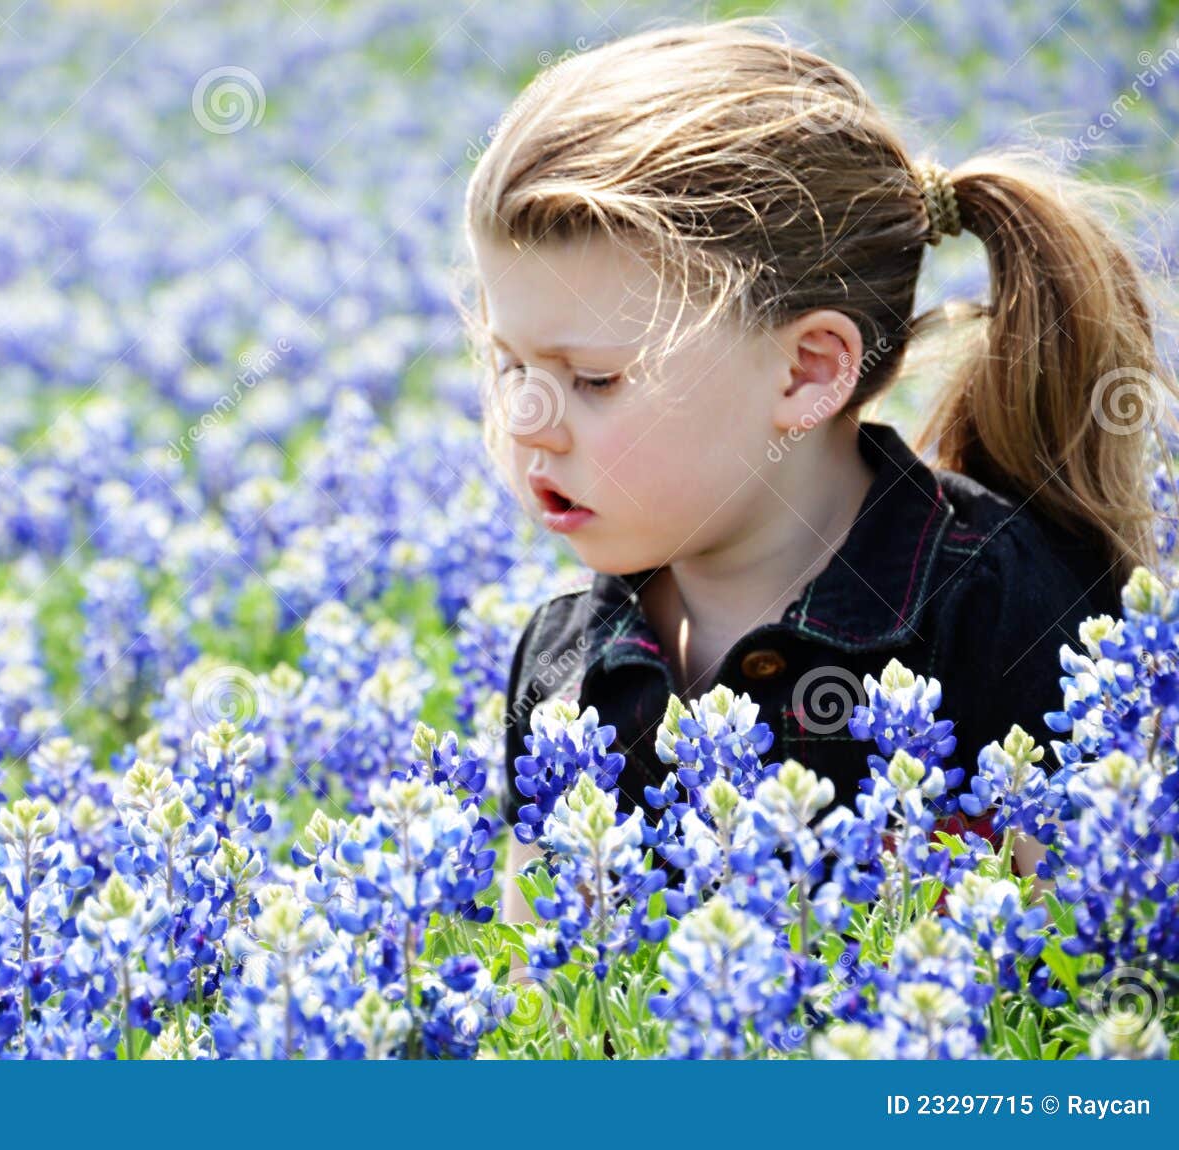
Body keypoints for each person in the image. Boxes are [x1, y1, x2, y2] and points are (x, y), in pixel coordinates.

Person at [457, 19, 1177, 923]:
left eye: (593, 379)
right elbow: (538, 995)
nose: (526, 421)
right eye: (506, 364)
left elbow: (1102, 946)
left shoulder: (1007, 611)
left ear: (806, 371)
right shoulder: (565, 657)